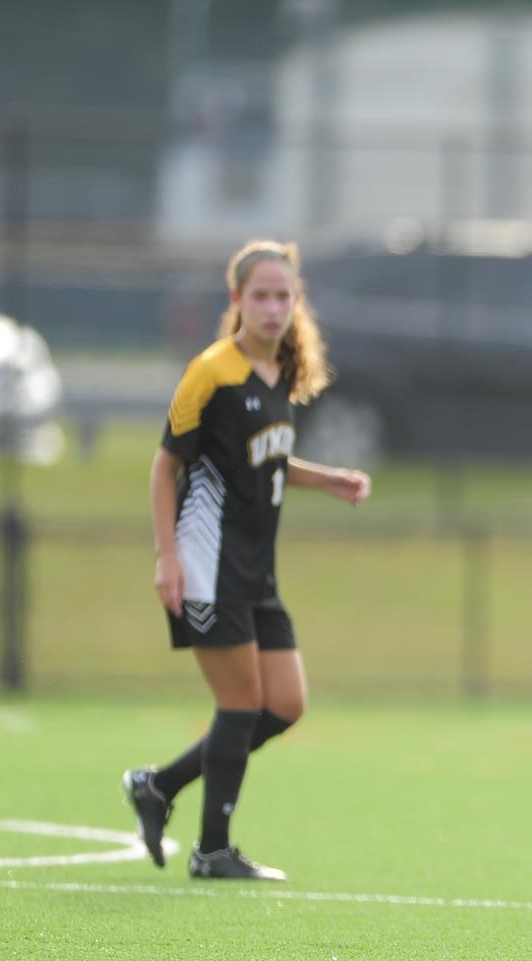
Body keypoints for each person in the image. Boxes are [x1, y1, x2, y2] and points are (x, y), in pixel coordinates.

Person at [122, 240, 371, 882]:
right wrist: (166, 557)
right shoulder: (212, 371)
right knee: (239, 704)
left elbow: (266, 458)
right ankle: (212, 851)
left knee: (283, 705)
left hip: (257, 569)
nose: (272, 307)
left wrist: (330, 480)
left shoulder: (279, 374)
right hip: (207, 564)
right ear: (235, 301)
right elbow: (164, 467)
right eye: (259, 295)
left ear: (297, 302)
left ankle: (160, 785)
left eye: (283, 296)